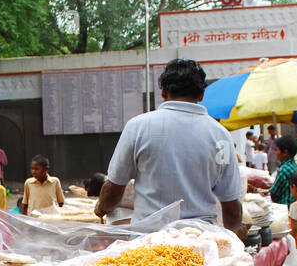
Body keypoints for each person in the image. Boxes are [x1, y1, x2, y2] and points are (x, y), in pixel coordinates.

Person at [96, 58, 245, 235]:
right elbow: (232, 208)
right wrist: (234, 237)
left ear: (164, 92)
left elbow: (114, 190)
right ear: (201, 95)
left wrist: (101, 208)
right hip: (199, 241)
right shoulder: (221, 135)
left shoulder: (138, 127)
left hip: (149, 242)